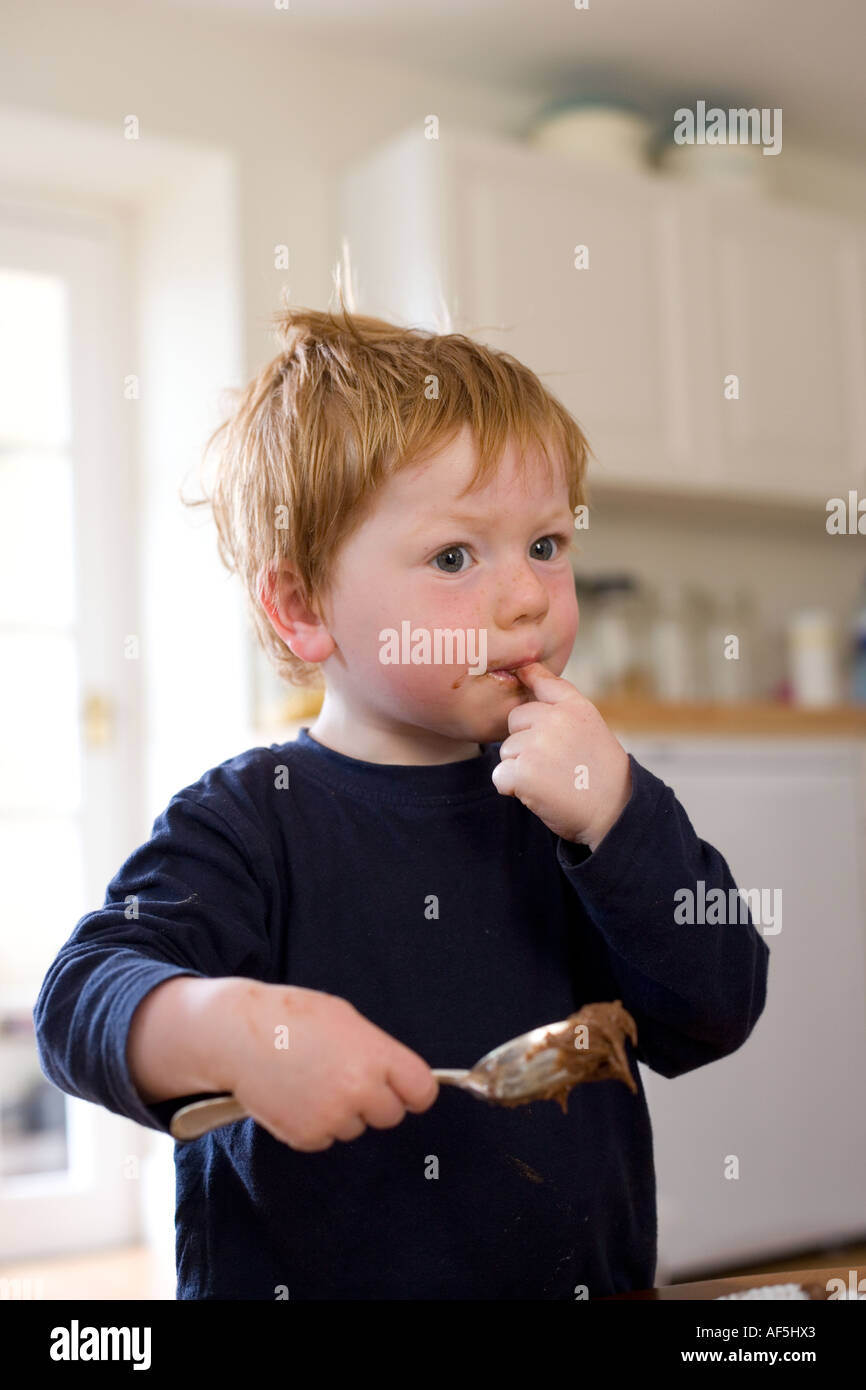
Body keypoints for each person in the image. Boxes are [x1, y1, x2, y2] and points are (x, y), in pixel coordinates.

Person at [34, 299, 770, 1300]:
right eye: (456, 557)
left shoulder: (579, 799)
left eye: (546, 544)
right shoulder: (250, 821)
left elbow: (717, 1006)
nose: (525, 597)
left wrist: (617, 815)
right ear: (301, 608)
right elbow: (78, 998)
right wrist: (235, 1029)